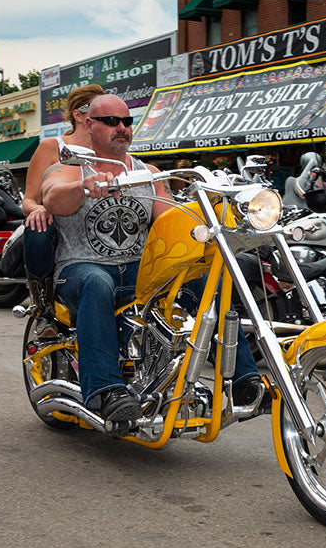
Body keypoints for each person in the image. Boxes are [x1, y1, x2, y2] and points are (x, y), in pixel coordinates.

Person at [40, 94, 262, 422]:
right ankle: (105, 390)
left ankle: (244, 380)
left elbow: (168, 217)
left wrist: (213, 207)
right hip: (80, 267)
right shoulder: (70, 168)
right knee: (97, 282)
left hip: (137, 269)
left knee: (204, 280)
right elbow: (51, 197)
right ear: (89, 124)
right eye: (110, 121)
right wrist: (83, 187)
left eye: (127, 122)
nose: (121, 128)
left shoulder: (149, 173)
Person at [22, 83, 104, 309]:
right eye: (96, 109)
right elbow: (28, 200)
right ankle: (42, 302)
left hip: (98, 227)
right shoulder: (52, 146)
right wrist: (39, 209)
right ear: (78, 115)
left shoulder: (107, 148)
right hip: (60, 228)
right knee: (38, 225)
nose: (104, 116)